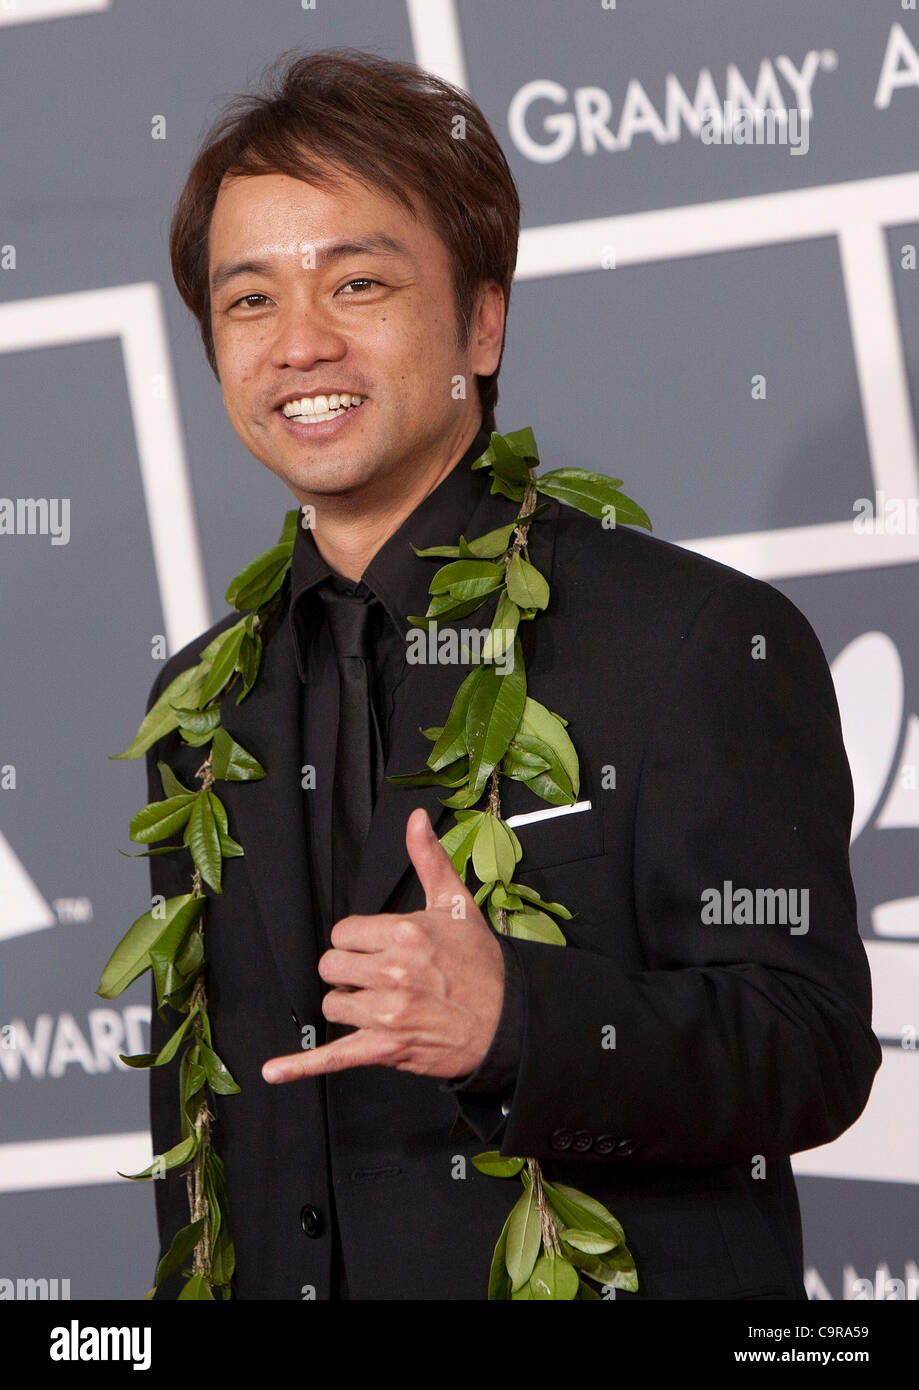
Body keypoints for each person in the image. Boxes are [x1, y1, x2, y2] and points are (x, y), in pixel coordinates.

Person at [144, 47, 881, 1300]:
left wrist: (521, 1025)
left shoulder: (694, 638)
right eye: (249, 301)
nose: (298, 344)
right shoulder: (205, 704)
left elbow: (810, 1047)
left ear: (481, 322)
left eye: (359, 282)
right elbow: (213, 1153)